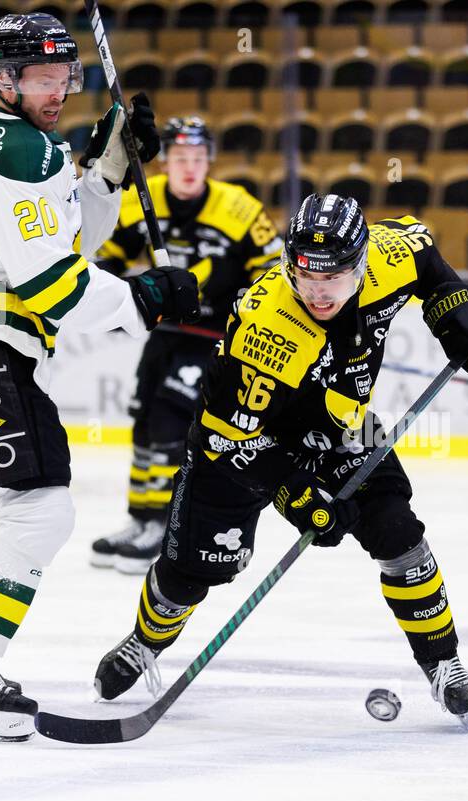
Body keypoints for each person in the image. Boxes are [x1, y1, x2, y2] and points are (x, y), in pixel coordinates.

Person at [91, 193, 468, 727]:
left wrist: (454, 302)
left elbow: (423, 250)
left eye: (332, 276)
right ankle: (145, 641)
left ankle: (445, 665)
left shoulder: (387, 256)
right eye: (305, 274)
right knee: (191, 573)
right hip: (239, 442)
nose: (316, 290)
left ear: (362, 263)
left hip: (340, 423)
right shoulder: (271, 325)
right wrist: (295, 493)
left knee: (398, 531)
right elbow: (228, 437)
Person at [0, 12, 200, 740]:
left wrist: (106, 173)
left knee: (13, 513)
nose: (58, 89)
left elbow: (67, 241)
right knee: (39, 509)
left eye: (66, 75)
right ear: (3, 80)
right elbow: (55, 286)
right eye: (42, 77)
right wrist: (146, 296)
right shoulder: (19, 152)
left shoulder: (22, 146)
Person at [89, 117, 283, 573]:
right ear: (166, 164)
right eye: (180, 159)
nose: (189, 168)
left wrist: (248, 316)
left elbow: (275, 272)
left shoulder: (238, 208)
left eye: (198, 159)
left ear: (209, 162)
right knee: (143, 419)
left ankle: (163, 522)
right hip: (165, 335)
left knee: (170, 420)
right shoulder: (144, 200)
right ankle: (139, 519)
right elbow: (107, 258)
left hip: (214, 341)